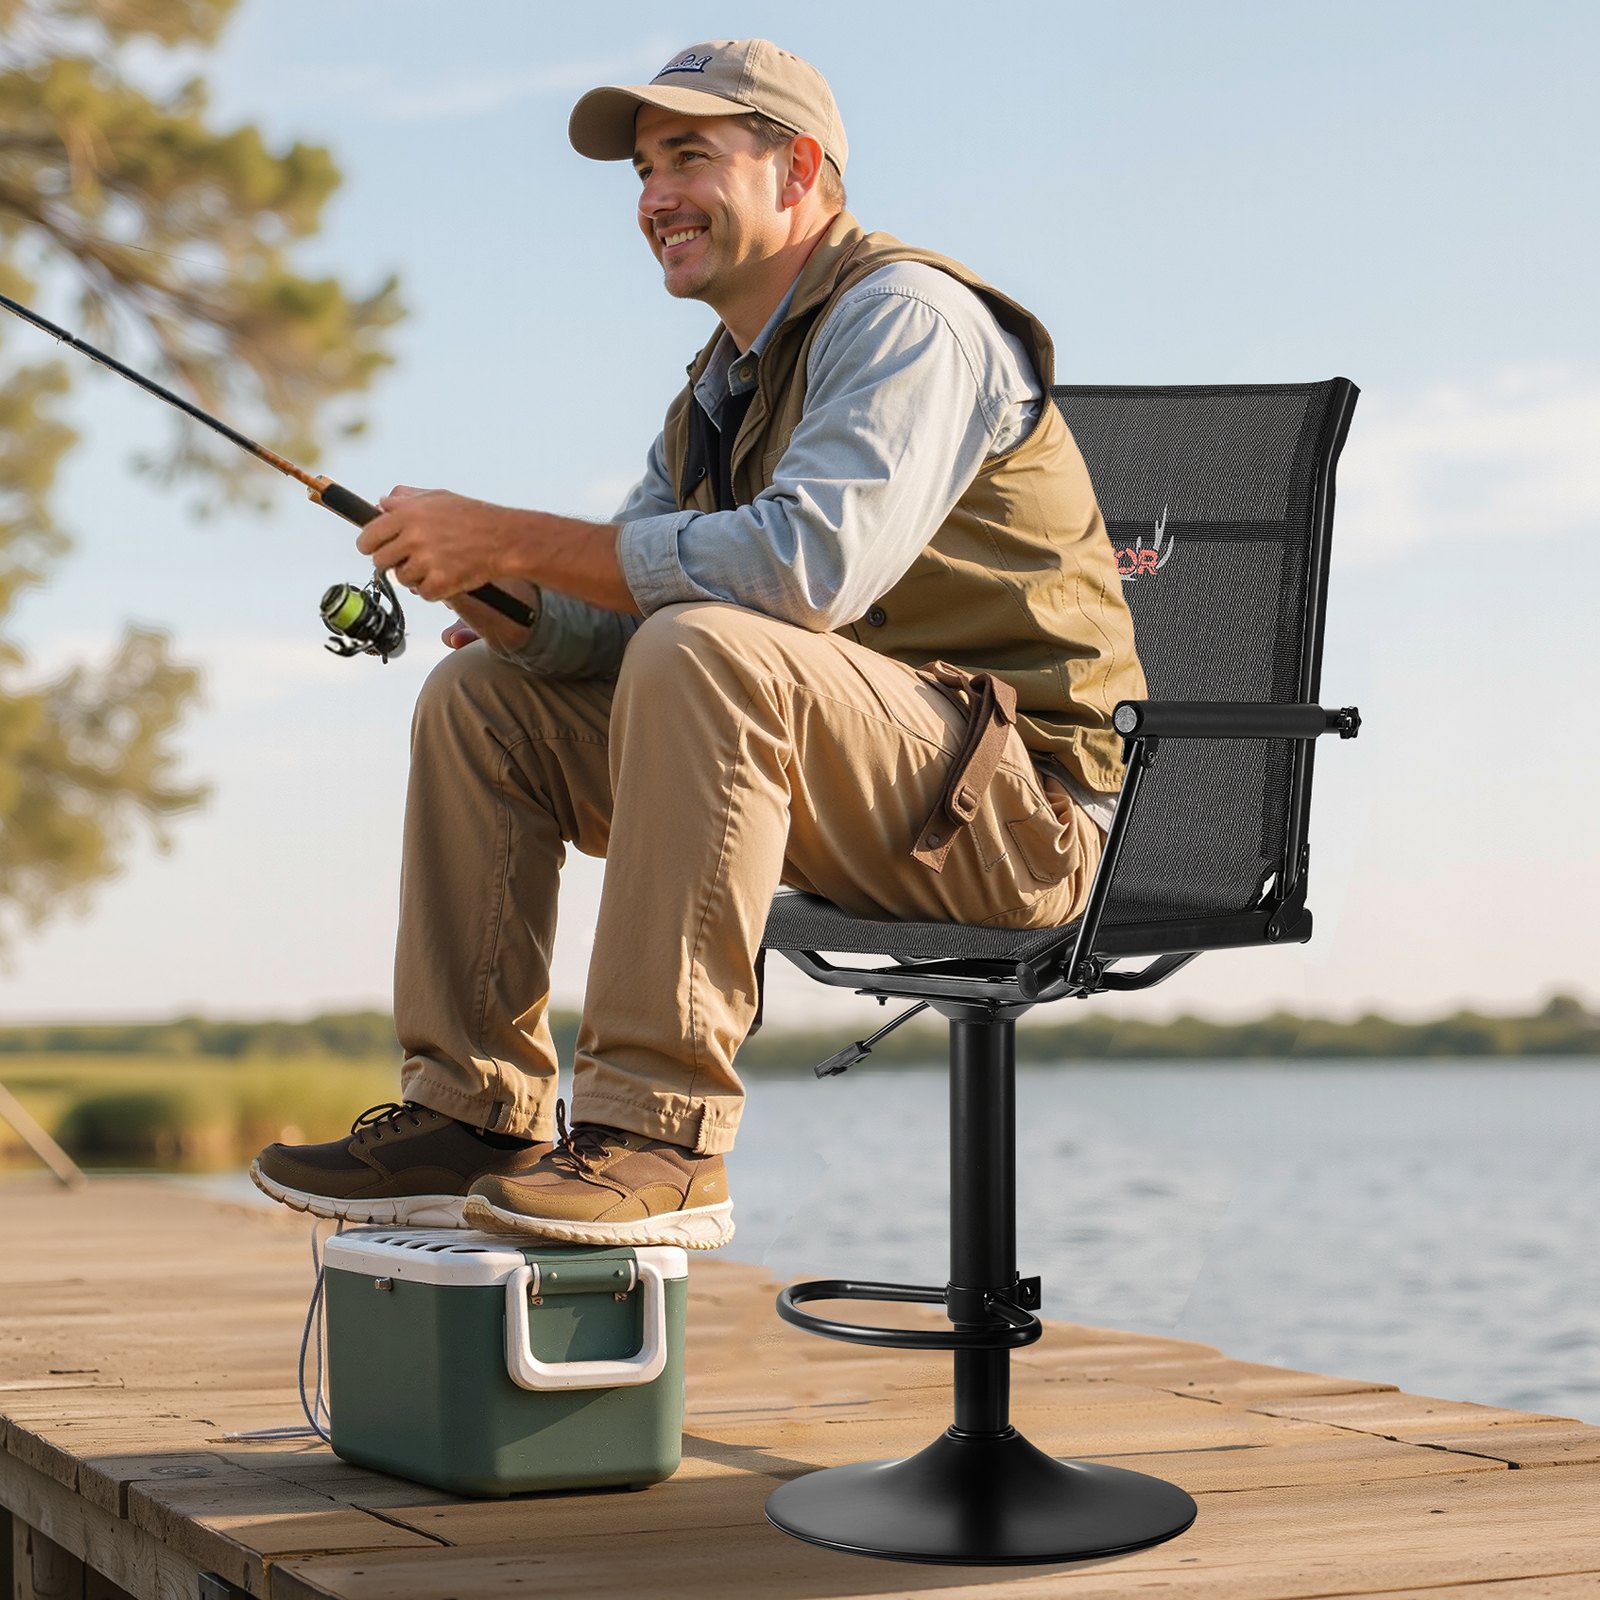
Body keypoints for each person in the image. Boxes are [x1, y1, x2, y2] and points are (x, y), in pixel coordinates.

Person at [250, 38, 1144, 1249]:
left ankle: (660, 1138)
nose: (654, 195)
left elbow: (798, 570)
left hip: (1015, 820)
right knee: (478, 694)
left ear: (800, 171)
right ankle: (472, 1112)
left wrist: (518, 533)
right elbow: (619, 601)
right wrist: (511, 594)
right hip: (848, 785)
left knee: (711, 647)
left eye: (690, 157)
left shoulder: (909, 318)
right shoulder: (718, 388)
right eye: (642, 169)